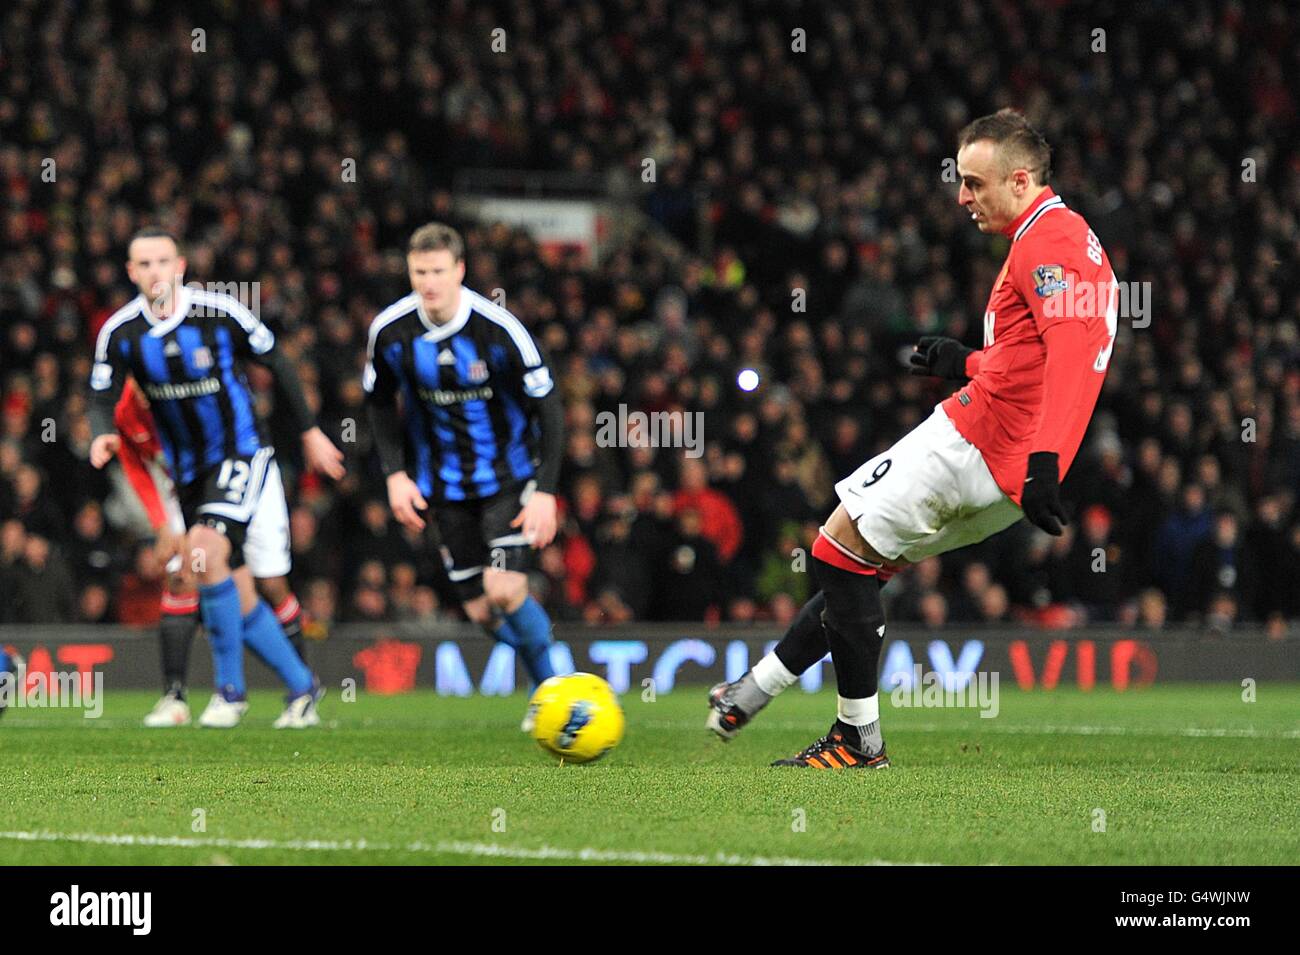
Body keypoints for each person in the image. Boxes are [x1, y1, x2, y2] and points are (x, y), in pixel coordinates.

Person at [708, 110, 1118, 768]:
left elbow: (1071, 355)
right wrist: (968, 362)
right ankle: (752, 691)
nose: (962, 197)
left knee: (835, 550)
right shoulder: (1074, 241)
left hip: (982, 440)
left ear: (1020, 180)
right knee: (859, 571)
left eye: (975, 183)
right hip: (1007, 473)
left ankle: (857, 739)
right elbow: (1038, 358)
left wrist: (1047, 457)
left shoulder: (1049, 246)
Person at [88, 228, 345, 728]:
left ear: (180, 265)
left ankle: (229, 693)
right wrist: (101, 434)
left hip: (242, 454)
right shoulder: (120, 332)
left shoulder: (220, 313)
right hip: (190, 474)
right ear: (130, 272)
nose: (154, 271)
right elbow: (101, 393)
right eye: (143, 263)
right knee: (239, 586)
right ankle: (302, 687)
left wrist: (311, 431)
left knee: (204, 553)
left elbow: (277, 361)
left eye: (163, 260)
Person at [364, 223, 564, 724]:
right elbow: (378, 405)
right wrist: (395, 475)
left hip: (508, 481)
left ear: (459, 271)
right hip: (444, 490)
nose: (428, 283)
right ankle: (544, 661)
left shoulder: (499, 330)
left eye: (437, 272)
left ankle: (554, 693)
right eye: (418, 272)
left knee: (504, 589)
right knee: (479, 609)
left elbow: (550, 409)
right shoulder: (391, 331)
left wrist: (545, 491)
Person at [113, 378, 313, 727]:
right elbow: (135, 464)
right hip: (194, 490)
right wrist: (163, 525)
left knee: (260, 578)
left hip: (244, 467)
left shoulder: (194, 393)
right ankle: (293, 688)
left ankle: (233, 693)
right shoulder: (128, 411)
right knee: (229, 585)